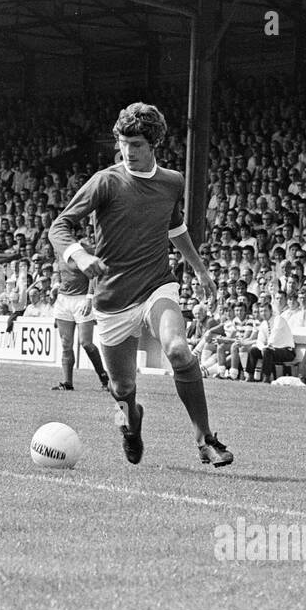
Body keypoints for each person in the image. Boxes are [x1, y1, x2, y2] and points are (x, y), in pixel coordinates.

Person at [49, 102, 232, 467]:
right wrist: (81, 257)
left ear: (154, 145)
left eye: (136, 144)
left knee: (179, 350)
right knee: (122, 390)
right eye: (123, 143)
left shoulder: (172, 181)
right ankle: (129, 427)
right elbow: (59, 226)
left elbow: (174, 227)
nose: (128, 152)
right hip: (113, 299)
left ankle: (205, 439)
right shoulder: (106, 181)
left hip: (156, 287)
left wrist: (199, 268)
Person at [50, 239, 109, 391]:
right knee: (65, 344)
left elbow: (93, 275)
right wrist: (56, 286)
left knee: (86, 343)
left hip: (82, 299)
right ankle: (67, 383)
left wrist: (89, 298)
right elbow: (58, 271)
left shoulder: (84, 249)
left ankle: (105, 379)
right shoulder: (59, 249)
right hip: (63, 299)